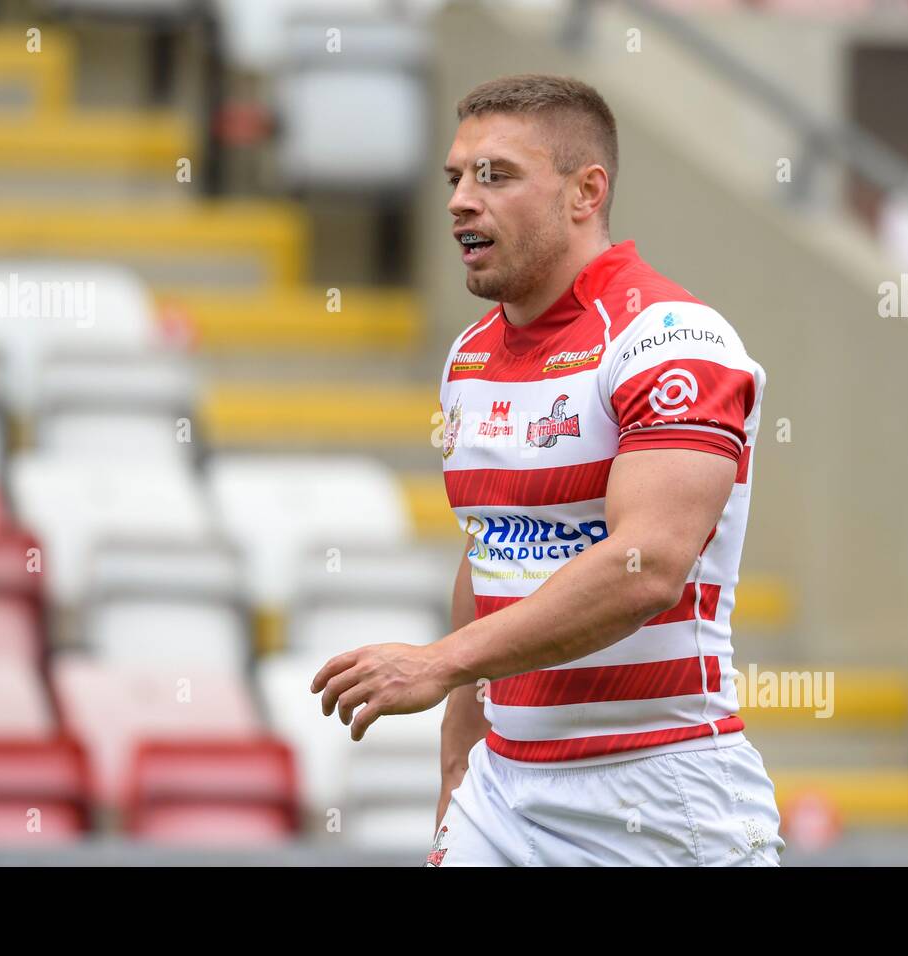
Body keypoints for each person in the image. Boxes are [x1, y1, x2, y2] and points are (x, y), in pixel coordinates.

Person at [312, 73, 784, 866]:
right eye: (455, 177)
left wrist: (435, 662)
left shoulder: (671, 339)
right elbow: (488, 555)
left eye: (496, 175)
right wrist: (458, 782)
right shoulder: (469, 356)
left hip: (661, 792)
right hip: (503, 795)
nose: (463, 199)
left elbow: (648, 570)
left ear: (584, 193)